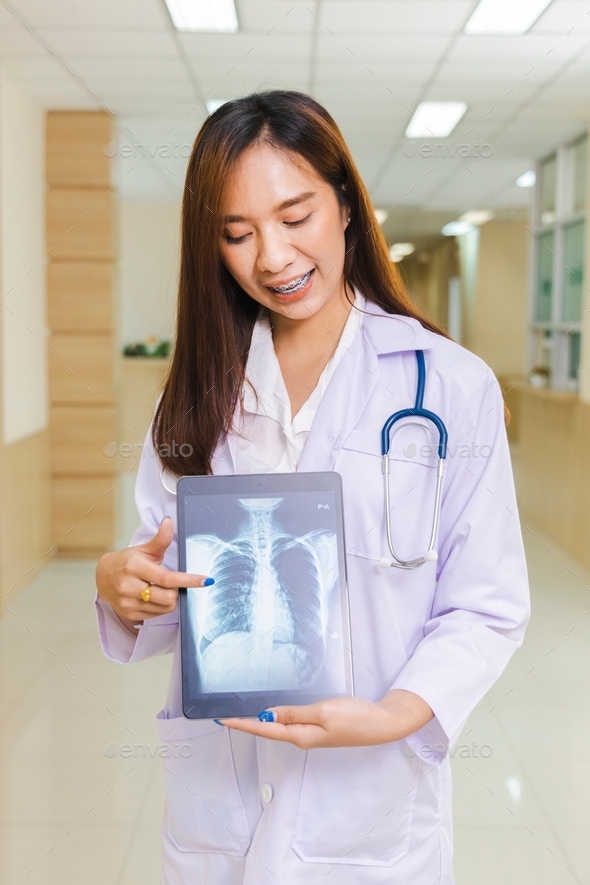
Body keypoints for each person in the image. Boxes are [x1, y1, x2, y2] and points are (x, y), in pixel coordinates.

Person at [95, 90, 529, 884]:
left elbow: (487, 602)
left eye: (296, 217)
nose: (272, 256)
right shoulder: (194, 395)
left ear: (347, 207)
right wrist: (124, 584)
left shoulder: (448, 388)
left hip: (370, 810)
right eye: (237, 233)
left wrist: (395, 715)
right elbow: (161, 578)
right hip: (219, 810)